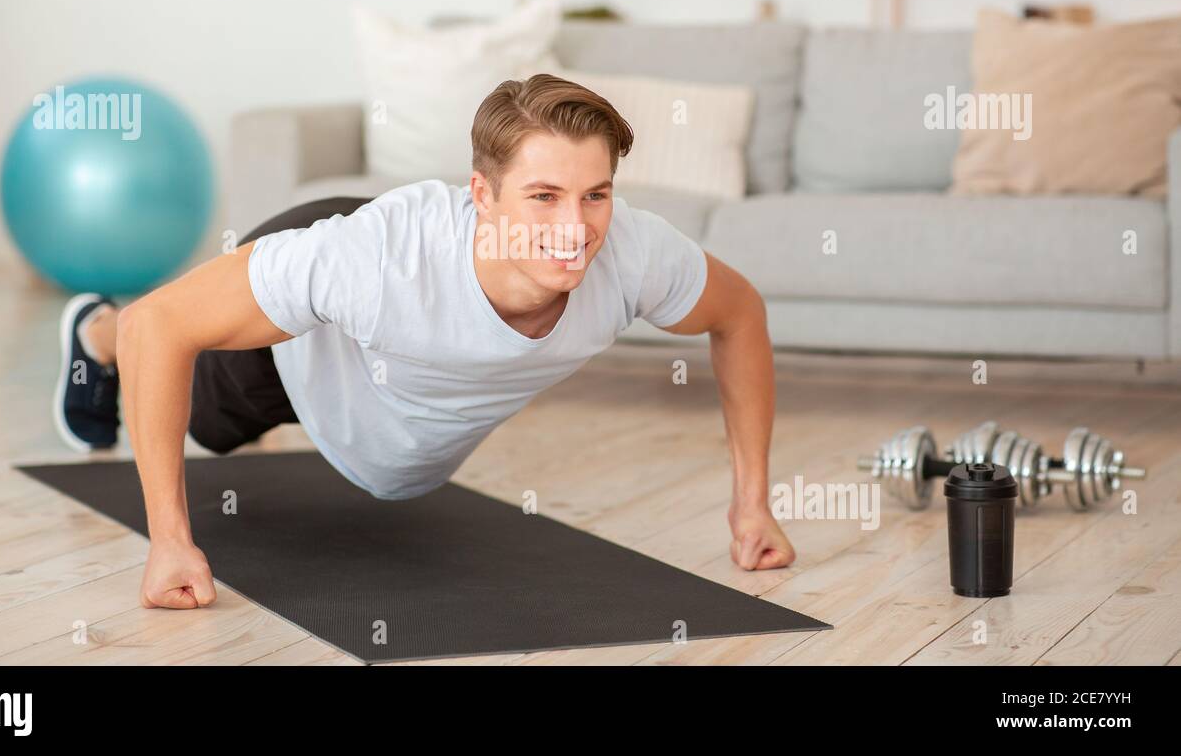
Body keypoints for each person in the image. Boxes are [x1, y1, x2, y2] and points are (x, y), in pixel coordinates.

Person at [54, 73, 794, 610]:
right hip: (297, 345)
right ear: (483, 195)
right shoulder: (373, 261)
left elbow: (740, 313)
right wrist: (168, 542)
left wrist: (752, 503)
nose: (575, 227)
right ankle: (94, 330)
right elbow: (164, 327)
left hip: (374, 337)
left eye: (594, 194)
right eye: (542, 195)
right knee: (194, 400)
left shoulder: (635, 251)